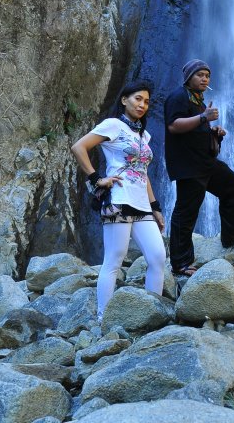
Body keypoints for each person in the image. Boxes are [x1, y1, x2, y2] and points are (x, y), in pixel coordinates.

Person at [71, 80, 166, 320]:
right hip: (119, 200)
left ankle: (151, 314)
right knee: (114, 258)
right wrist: (96, 178)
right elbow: (79, 147)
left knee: (157, 257)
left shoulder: (144, 135)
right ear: (124, 100)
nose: (142, 104)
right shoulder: (113, 125)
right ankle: (104, 318)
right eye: (137, 99)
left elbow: (142, 174)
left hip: (142, 205)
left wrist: (155, 207)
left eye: (146, 101)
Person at [165, 59, 234, 277]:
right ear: (188, 77)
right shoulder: (178, 96)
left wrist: (213, 132)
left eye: (207, 75)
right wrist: (203, 117)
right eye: (200, 74)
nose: (204, 79)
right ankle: (180, 263)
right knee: (186, 212)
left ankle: (229, 234)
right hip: (189, 165)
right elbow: (173, 126)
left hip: (205, 162)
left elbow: (196, 130)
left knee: (230, 184)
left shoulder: (198, 100)